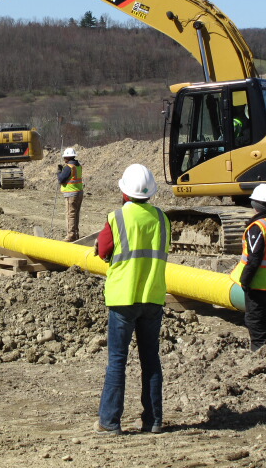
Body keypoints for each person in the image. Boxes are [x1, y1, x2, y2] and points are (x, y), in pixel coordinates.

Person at [93, 163, 171, 435]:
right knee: (150, 359)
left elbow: (104, 250)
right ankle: (153, 420)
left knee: (117, 360)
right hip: (153, 297)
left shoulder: (117, 218)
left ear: (124, 192)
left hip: (123, 298)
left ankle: (110, 421)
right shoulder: (162, 219)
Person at [229, 183, 266, 351]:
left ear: (255, 204)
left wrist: (245, 280)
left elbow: (254, 258)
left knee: (254, 319)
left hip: (258, 281)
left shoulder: (258, 227)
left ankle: (260, 351)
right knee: (260, 317)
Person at [57, 147, 83, 242]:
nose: (64, 159)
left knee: (70, 215)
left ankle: (71, 236)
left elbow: (61, 179)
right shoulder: (78, 166)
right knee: (76, 214)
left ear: (68, 157)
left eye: (65, 157)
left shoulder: (69, 167)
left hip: (71, 194)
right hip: (79, 192)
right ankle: (75, 234)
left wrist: (59, 172)